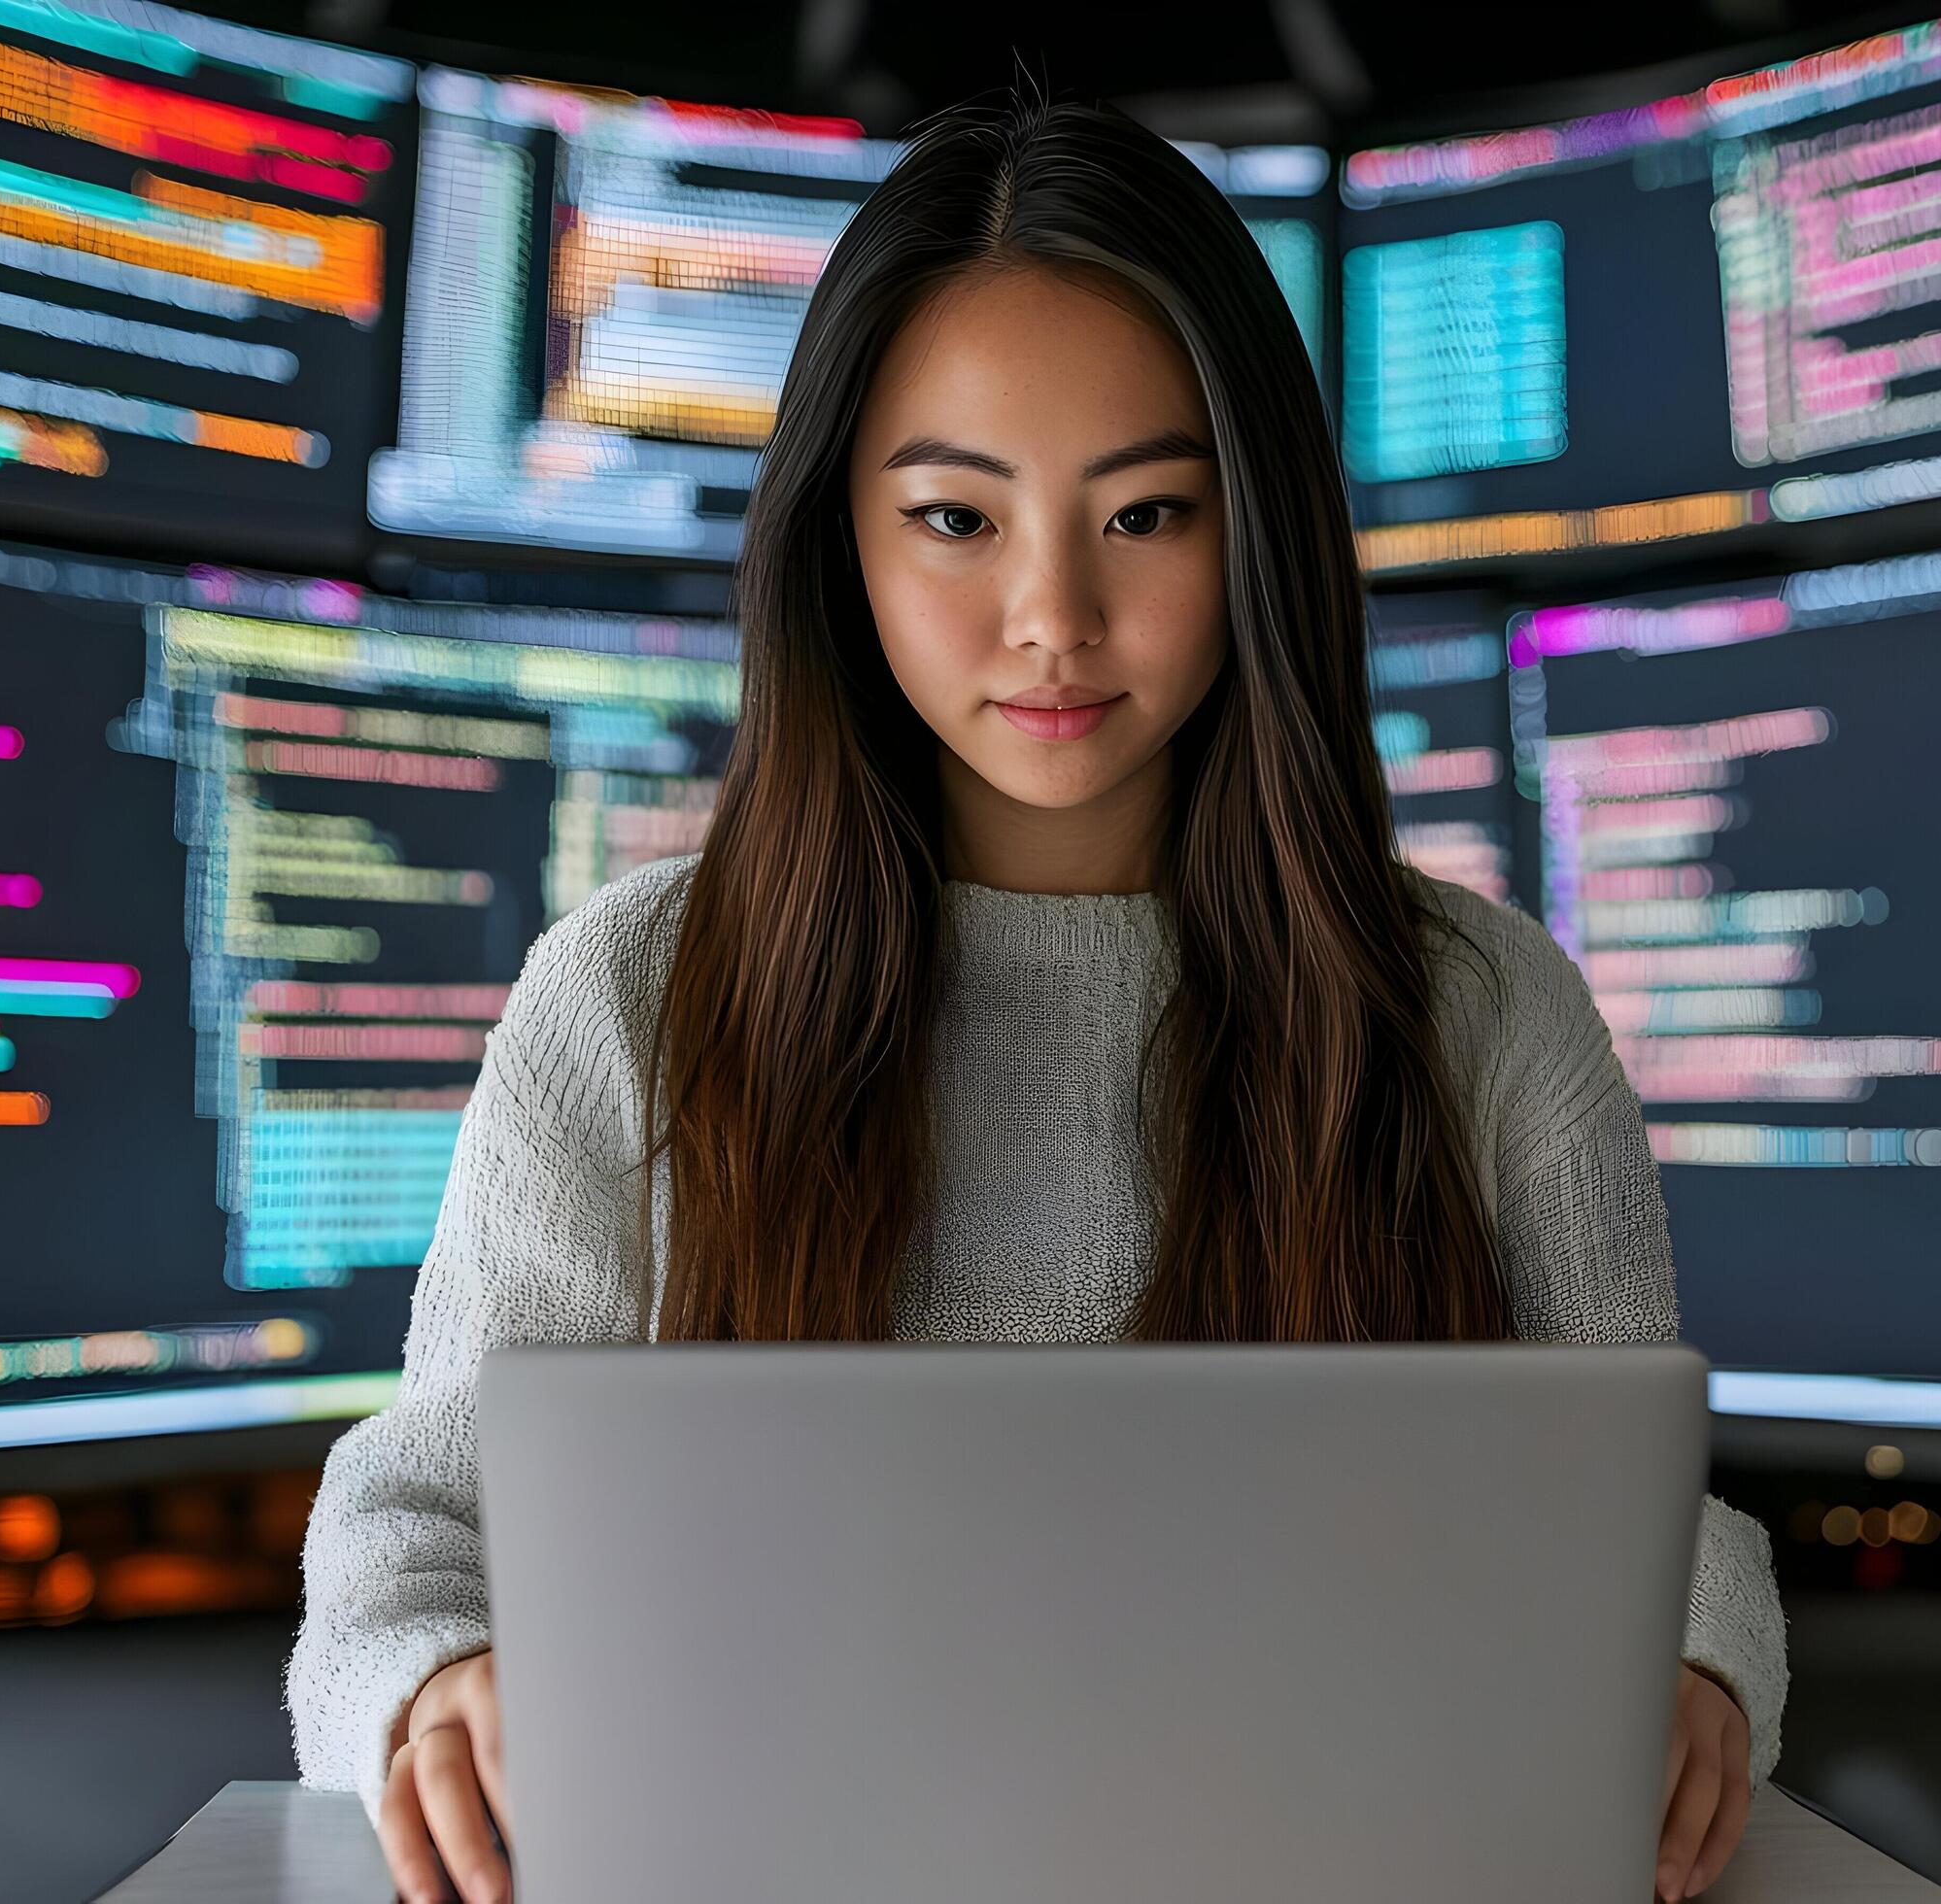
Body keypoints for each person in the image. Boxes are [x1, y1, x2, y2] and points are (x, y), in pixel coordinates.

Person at [288, 85, 1788, 1904]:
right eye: (955, 517)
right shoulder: (627, 1000)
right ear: (838, 535)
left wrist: (1695, 1669)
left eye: (1146, 514)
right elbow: (413, 1514)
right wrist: (434, 1682)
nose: (1053, 617)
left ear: (1256, 532)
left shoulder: (1483, 1013)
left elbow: (1656, 1526)